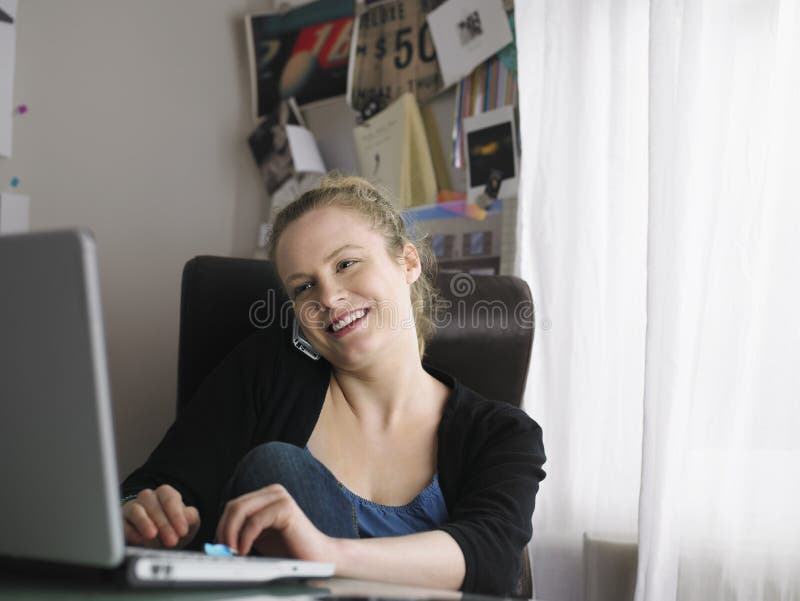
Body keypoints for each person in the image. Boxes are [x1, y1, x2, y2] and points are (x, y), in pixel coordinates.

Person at [121, 174, 546, 595]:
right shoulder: (267, 369)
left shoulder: (502, 433)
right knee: (277, 469)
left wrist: (325, 553)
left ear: (408, 262)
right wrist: (149, 516)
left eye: (346, 264)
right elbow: (152, 487)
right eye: (304, 287)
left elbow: (492, 560)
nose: (327, 297)